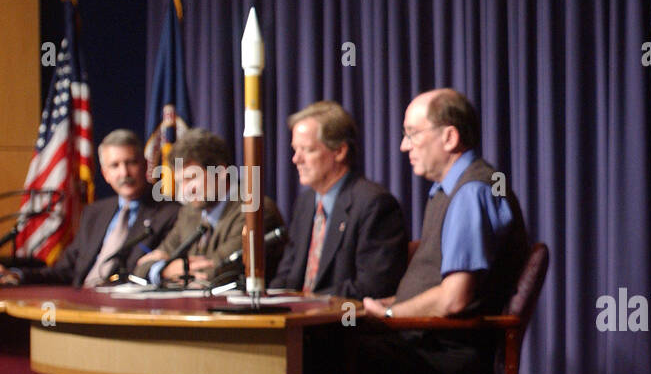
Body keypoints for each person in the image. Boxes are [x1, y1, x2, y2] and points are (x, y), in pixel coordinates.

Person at [358, 88, 530, 374]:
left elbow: (454, 298)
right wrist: (388, 307)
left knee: (314, 362)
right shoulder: (449, 191)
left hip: (448, 352)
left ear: (449, 136)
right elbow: (436, 282)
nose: (403, 146)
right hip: (428, 339)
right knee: (318, 350)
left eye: (412, 134)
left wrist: (390, 317)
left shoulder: (472, 193)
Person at [0, 130, 179, 287]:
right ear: (105, 174)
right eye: (115, 165)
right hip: (79, 301)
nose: (124, 173)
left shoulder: (170, 213)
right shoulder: (94, 213)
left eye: (131, 163)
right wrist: (16, 275)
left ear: (146, 165)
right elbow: (64, 272)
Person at [269, 101, 407, 298]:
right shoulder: (306, 202)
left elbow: (372, 287)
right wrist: (269, 301)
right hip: (300, 323)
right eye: (295, 149)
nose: (296, 159)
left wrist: (309, 303)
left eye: (307, 150)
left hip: (344, 324)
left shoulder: (374, 204)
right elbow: (287, 274)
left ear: (339, 151)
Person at [134, 128, 285, 286]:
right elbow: (142, 267)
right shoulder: (189, 213)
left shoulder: (255, 210)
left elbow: (218, 274)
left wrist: (172, 269)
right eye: (180, 182)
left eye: (191, 178)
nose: (186, 190)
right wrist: (164, 270)